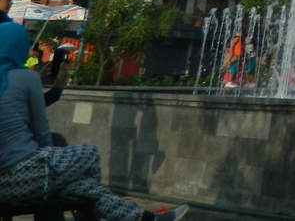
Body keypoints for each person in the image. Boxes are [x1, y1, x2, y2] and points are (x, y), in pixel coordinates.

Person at [0, 23, 187, 220]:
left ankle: (145, 219)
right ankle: (92, 215)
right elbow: (41, 132)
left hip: (8, 180)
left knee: (82, 187)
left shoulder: (18, 78)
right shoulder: (25, 77)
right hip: (17, 174)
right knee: (90, 154)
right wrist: (51, 161)